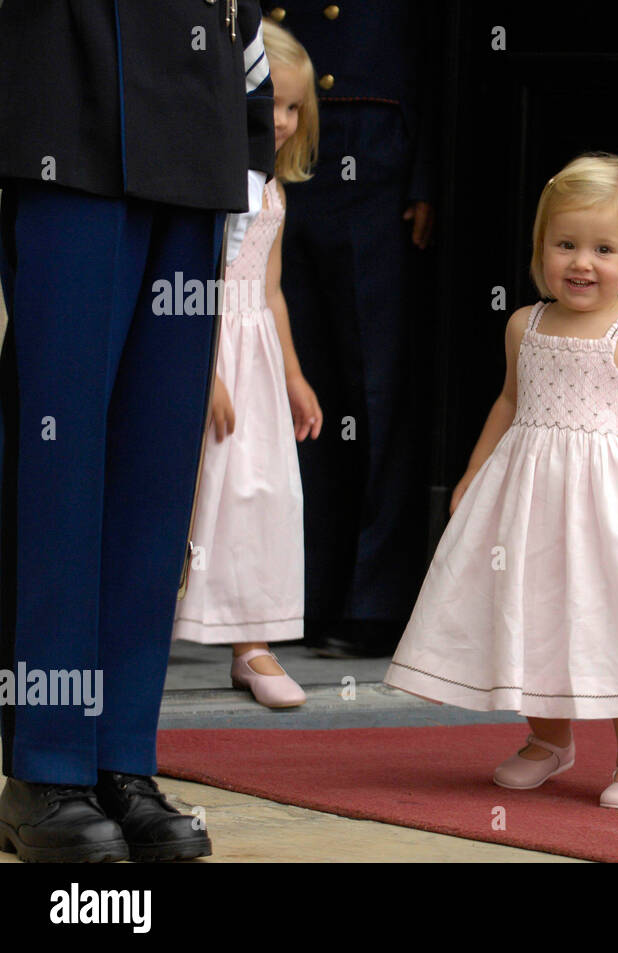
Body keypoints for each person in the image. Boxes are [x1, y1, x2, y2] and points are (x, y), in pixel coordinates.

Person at [0, 0, 274, 862]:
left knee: (153, 481)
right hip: (61, 108)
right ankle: (46, 764)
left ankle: (121, 756)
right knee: (60, 466)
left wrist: (249, 144)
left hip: (191, 128)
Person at [384, 153, 618, 810]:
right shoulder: (526, 325)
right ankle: (549, 739)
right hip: (531, 505)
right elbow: (510, 403)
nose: (582, 262)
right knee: (536, 611)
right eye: (566, 244)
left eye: (604, 248)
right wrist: (474, 469)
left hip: (616, 513)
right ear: (541, 247)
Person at [262, 1, 437, 659]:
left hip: (373, 138)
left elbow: (434, 45)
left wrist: (426, 172)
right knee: (293, 382)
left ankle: (375, 597)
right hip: (281, 122)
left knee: (375, 386)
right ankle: (299, 589)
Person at [172, 19, 323, 710]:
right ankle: (154, 634)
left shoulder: (274, 192)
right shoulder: (210, 182)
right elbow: (192, 281)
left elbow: (269, 287)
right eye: (270, 106)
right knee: (196, 491)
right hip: (206, 347)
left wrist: (291, 373)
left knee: (261, 492)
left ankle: (252, 644)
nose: (284, 122)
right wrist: (202, 369)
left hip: (257, 356)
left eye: (295, 108)